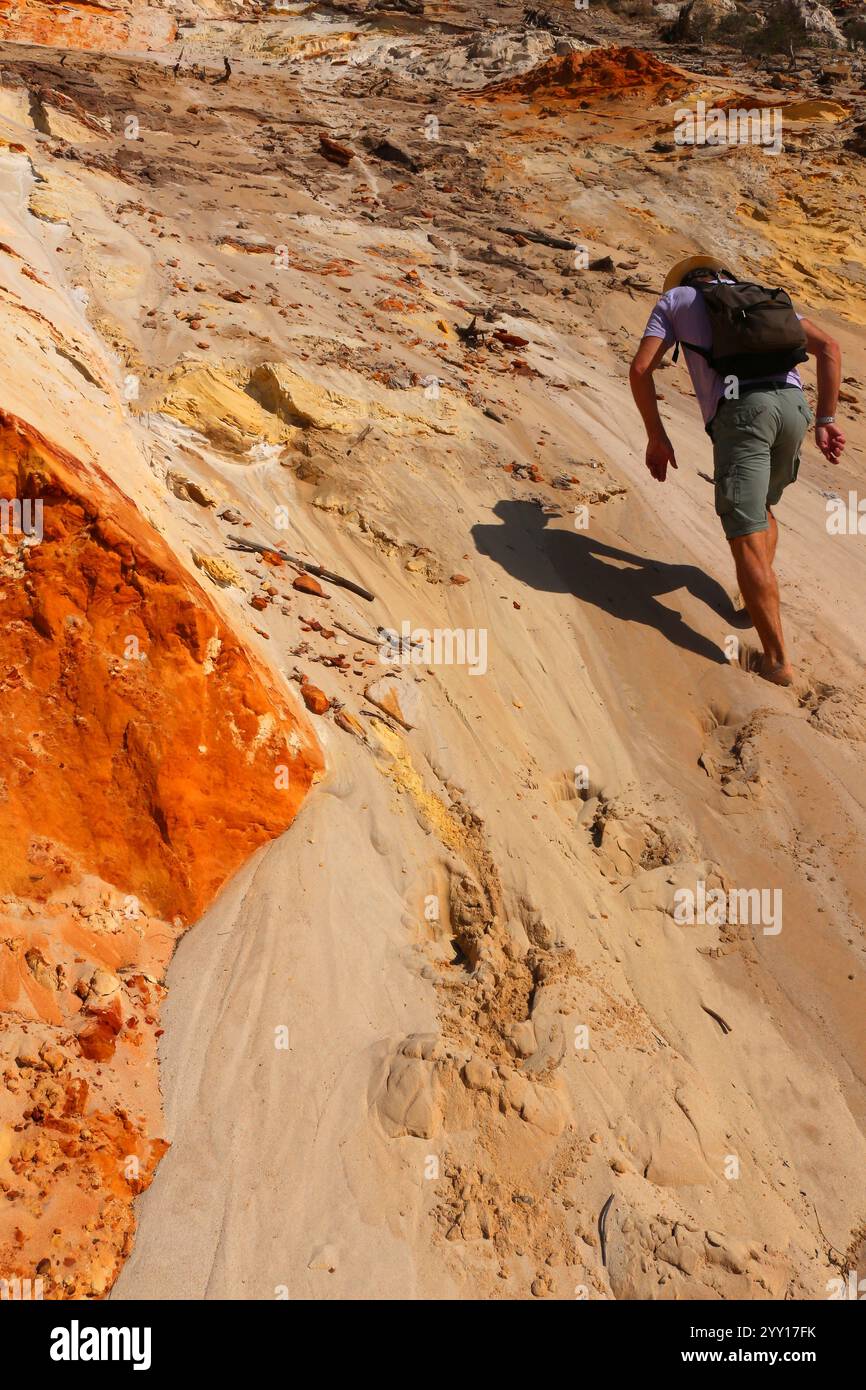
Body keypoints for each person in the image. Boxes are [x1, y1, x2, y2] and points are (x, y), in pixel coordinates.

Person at [629, 254, 845, 685]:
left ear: (682, 280)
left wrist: (656, 435)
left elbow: (639, 369)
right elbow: (830, 348)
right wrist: (825, 421)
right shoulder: (758, 296)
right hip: (793, 408)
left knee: (743, 531)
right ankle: (753, 601)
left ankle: (778, 661)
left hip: (743, 414)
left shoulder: (674, 300)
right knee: (763, 507)